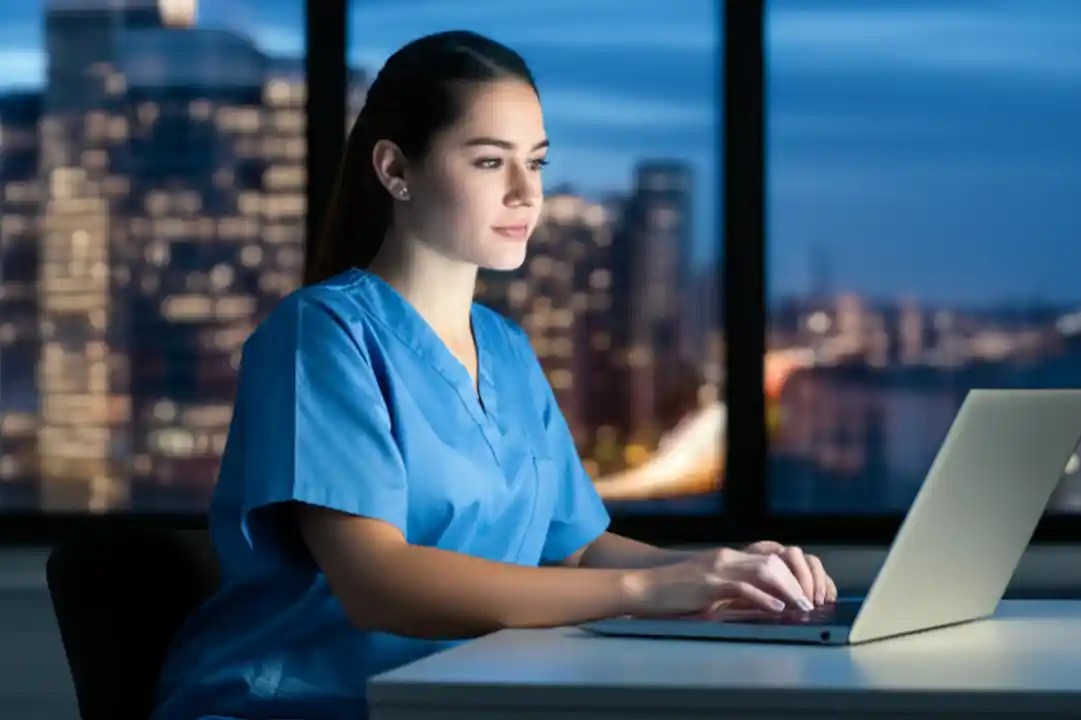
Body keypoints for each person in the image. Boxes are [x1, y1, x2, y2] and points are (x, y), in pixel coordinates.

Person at [150, 30, 836, 720]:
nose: (526, 193)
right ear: (395, 170)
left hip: (462, 695)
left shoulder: (505, 350)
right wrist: (650, 592)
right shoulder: (323, 334)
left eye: (535, 163)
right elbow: (376, 582)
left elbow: (572, 549)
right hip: (304, 707)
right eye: (489, 162)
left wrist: (734, 574)